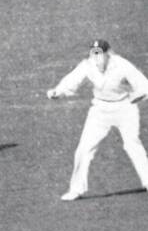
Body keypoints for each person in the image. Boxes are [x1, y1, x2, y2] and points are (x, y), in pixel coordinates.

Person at [45, 39, 148, 201]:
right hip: (100, 110)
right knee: (84, 149)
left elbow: (143, 85)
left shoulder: (122, 65)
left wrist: (138, 95)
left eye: (100, 54)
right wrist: (58, 92)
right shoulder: (88, 65)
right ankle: (76, 189)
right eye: (94, 54)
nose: (97, 58)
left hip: (125, 108)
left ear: (108, 54)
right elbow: (73, 79)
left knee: (132, 144)